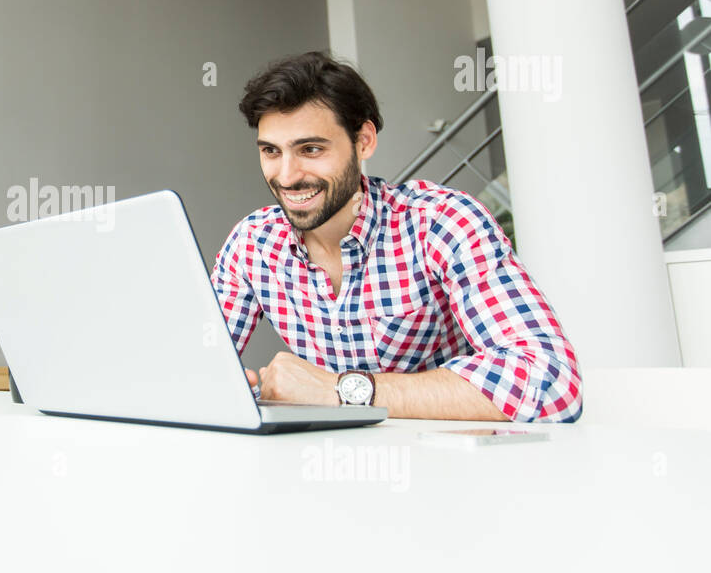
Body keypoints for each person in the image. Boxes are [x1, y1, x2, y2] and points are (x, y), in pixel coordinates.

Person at [213, 50, 583, 422]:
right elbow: (191, 363)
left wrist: (339, 390)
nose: (288, 176)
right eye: (271, 152)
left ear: (364, 141)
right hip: (318, 465)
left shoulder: (442, 222)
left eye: (311, 149)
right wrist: (219, 386)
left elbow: (552, 381)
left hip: (448, 469)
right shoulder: (253, 244)